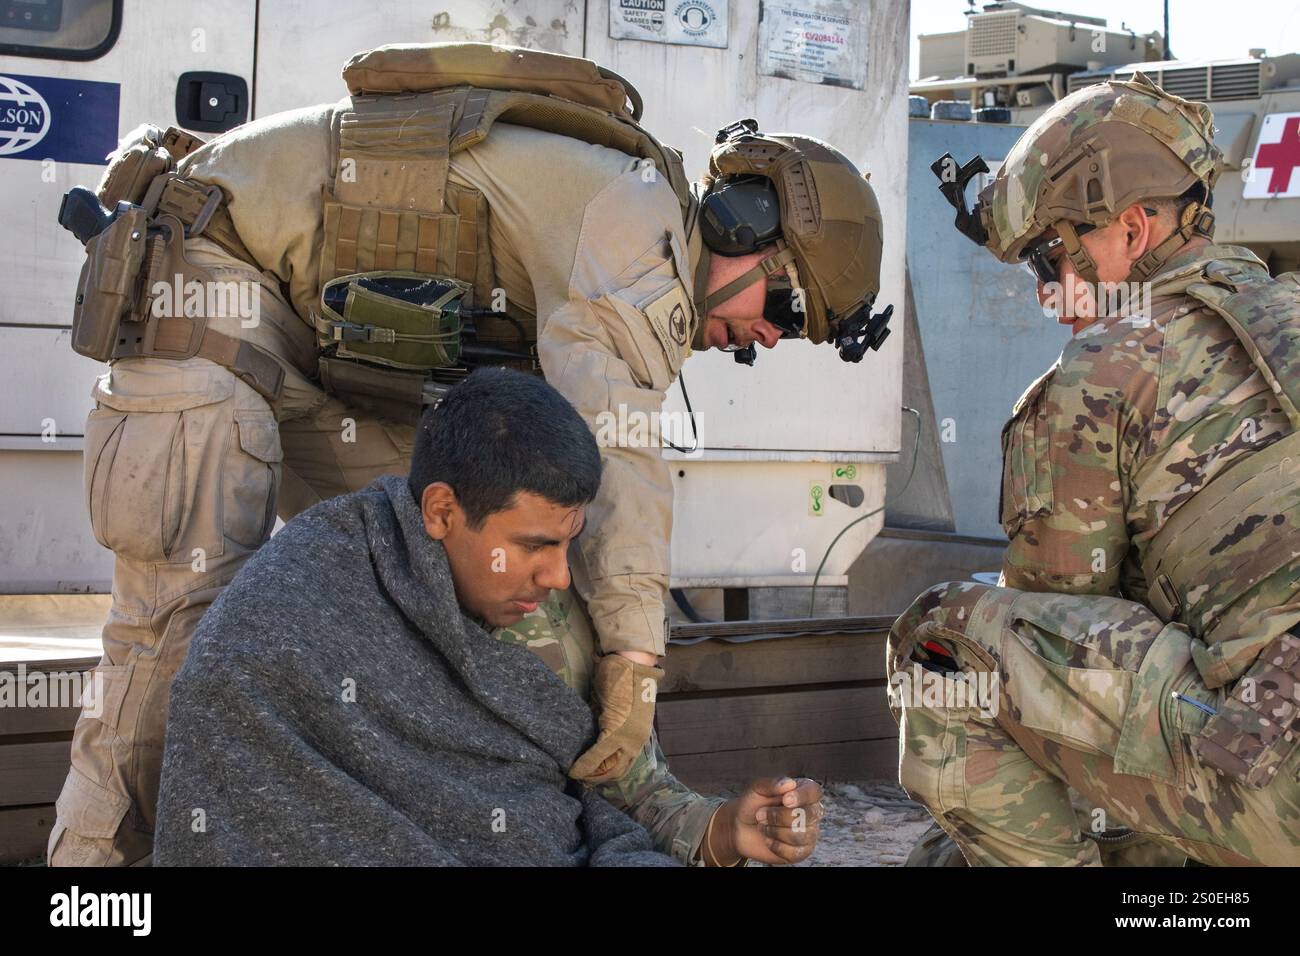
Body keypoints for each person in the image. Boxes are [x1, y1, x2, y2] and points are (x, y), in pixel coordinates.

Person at [50, 41, 887, 865]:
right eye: (783, 300)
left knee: (459, 552)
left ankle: (611, 799)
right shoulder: (640, 226)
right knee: (177, 627)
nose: (770, 332)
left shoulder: (637, 234)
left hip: (312, 344)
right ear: (746, 225)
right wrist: (635, 663)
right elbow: (619, 454)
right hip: (209, 280)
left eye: (794, 332)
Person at [151, 368, 823, 866]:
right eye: (534, 545)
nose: (559, 575)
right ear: (442, 512)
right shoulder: (285, 618)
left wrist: (726, 831)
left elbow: (619, 796)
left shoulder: (542, 610)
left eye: (568, 543)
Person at [889, 72, 1300, 866]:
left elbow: (1056, 637)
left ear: (1134, 228)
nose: (1050, 297)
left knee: (947, 641)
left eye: (1051, 258)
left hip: (1277, 792)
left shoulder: (1106, 365)